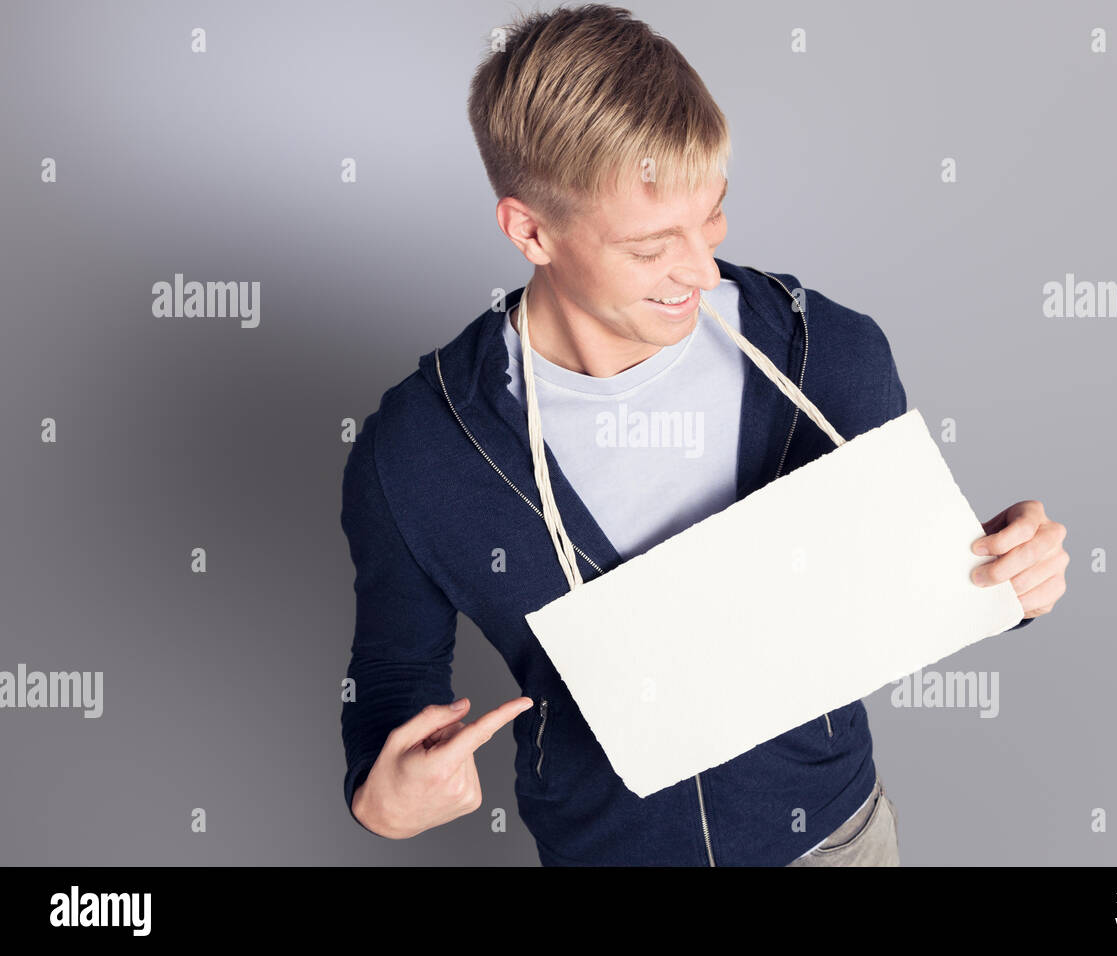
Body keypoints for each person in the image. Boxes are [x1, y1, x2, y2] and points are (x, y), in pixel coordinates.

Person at [339, 3, 1068, 867]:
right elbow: (390, 682)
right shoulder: (419, 450)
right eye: (651, 247)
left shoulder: (826, 354)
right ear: (529, 230)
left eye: (711, 216)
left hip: (837, 844)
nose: (700, 270)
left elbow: (906, 579)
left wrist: (1007, 575)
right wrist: (383, 799)